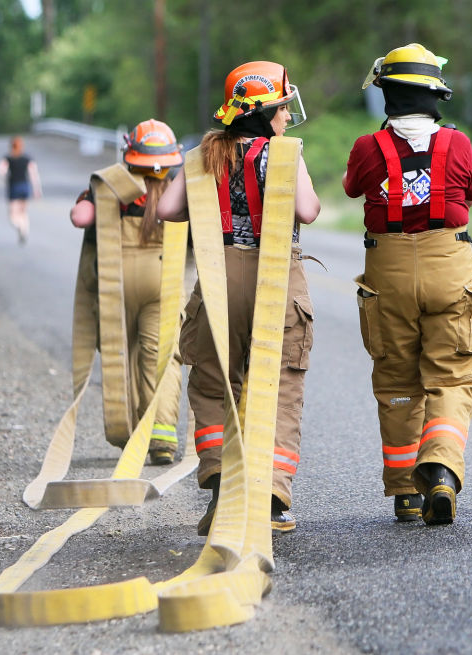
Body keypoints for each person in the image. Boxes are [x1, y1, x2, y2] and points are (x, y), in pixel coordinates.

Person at [157, 61, 320, 535]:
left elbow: (168, 209)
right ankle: (270, 499)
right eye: (283, 108)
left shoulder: (203, 156)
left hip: (216, 275)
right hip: (276, 279)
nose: (287, 117)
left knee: (213, 383)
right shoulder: (284, 154)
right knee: (280, 384)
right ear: (265, 112)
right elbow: (308, 211)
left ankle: (220, 483)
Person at [343, 43, 472, 525]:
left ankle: (406, 493)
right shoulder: (459, 143)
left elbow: (353, 187)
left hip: (389, 270)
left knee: (397, 380)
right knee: (451, 376)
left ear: (387, 96)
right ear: (434, 97)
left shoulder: (368, 147)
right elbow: (470, 193)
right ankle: (442, 470)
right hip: (451, 263)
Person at [69, 119, 185, 465]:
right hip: (161, 282)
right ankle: (162, 437)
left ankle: (131, 433)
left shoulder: (109, 187)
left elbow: (80, 217)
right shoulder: (176, 188)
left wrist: (91, 196)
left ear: (129, 153)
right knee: (161, 357)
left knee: (122, 355)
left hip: (114, 283)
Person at [0, 136, 41, 244]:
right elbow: (34, 175)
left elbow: (1, 171)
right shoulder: (27, 159)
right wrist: (37, 189)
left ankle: (20, 228)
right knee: (23, 212)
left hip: (14, 187)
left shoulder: (8, 158)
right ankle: (25, 230)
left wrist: (6, 177)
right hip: (25, 187)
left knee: (13, 215)